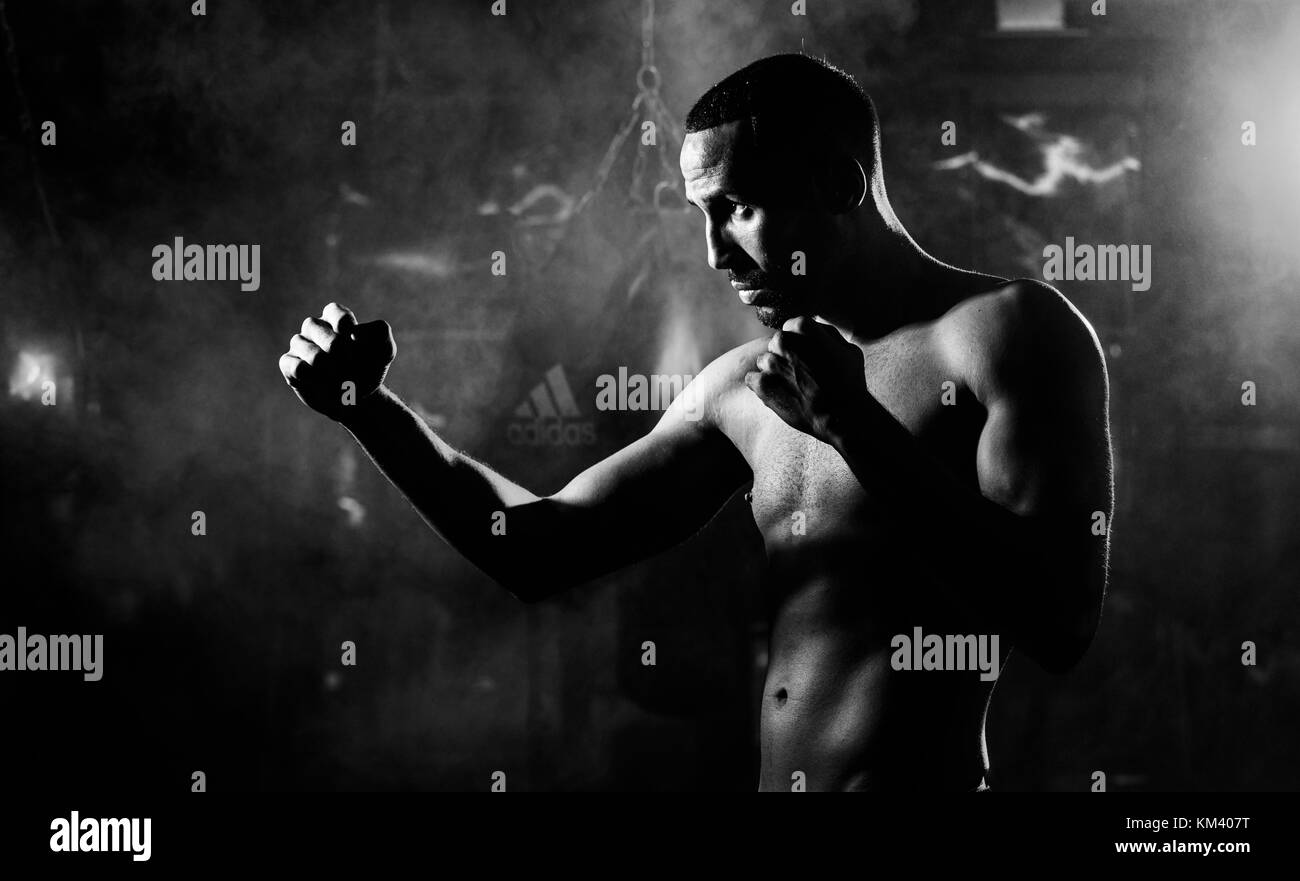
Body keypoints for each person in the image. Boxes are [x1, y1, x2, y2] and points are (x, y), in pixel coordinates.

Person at [279, 53, 1114, 791]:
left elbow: (1060, 619)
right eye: (700, 214)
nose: (715, 254)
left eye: (738, 207)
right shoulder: (741, 390)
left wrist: (854, 427)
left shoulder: (1006, 332)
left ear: (838, 184)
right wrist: (368, 410)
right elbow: (536, 546)